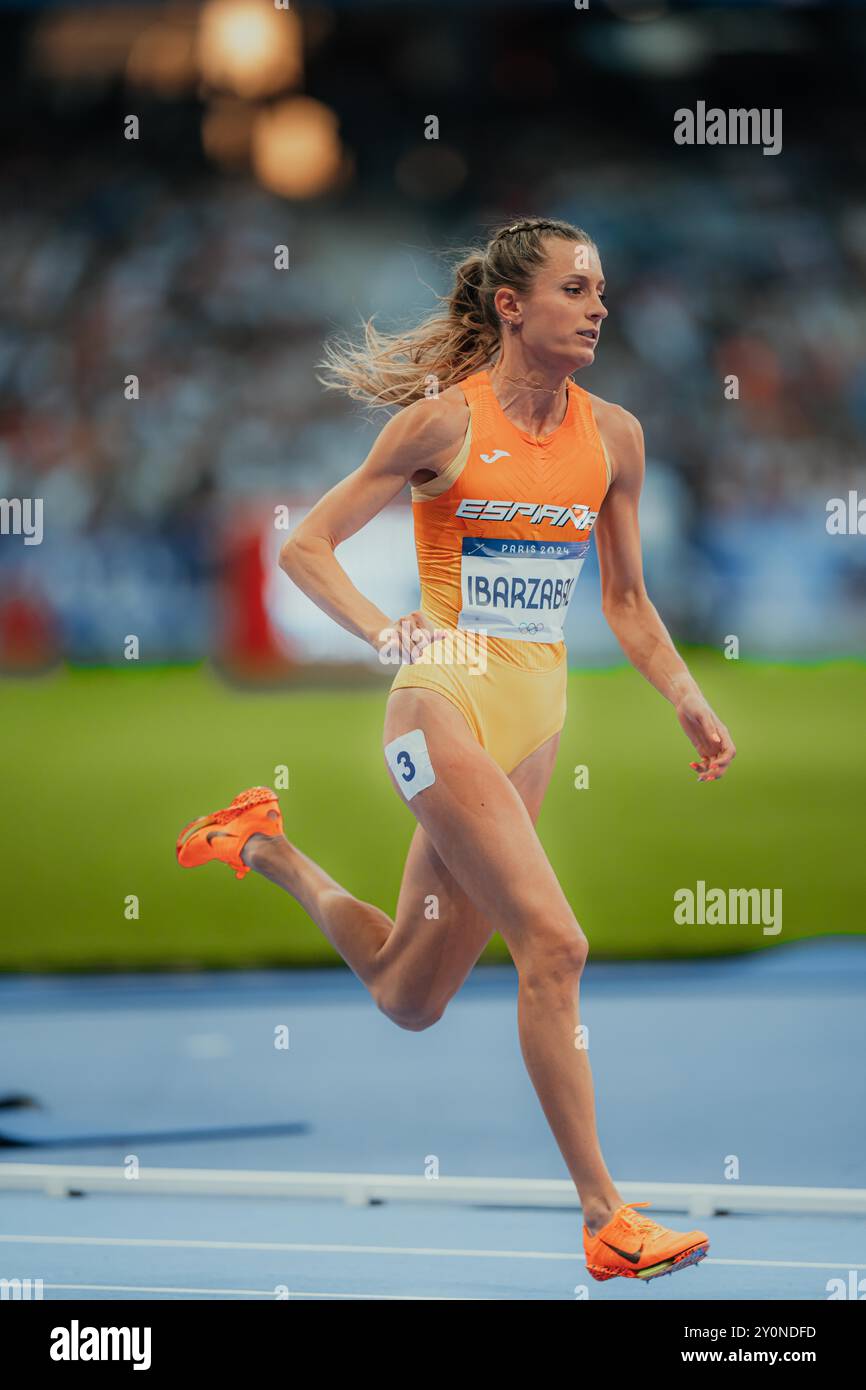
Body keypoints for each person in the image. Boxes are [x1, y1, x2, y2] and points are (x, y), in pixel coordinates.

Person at [176, 216, 736, 1283]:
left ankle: (263, 846)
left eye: (602, 290)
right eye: (575, 288)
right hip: (439, 710)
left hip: (534, 718)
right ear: (513, 306)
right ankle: (604, 1218)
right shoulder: (438, 426)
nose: (598, 306)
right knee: (555, 946)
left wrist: (683, 693)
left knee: (408, 995)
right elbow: (306, 545)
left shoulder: (613, 435)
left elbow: (623, 598)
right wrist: (386, 631)